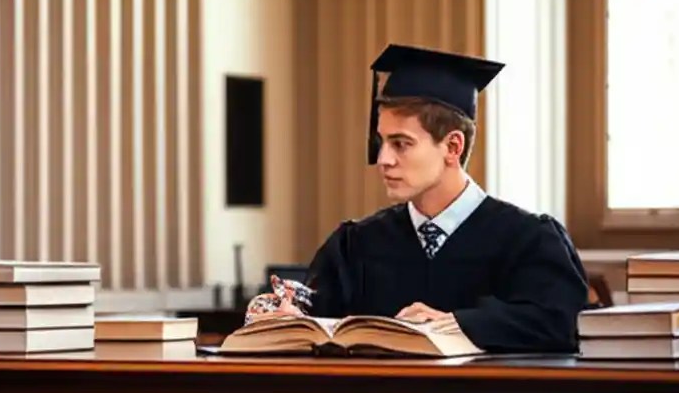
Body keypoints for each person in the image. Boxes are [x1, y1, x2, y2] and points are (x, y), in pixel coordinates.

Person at [246, 43, 589, 353]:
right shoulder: (356, 245)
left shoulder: (528, 240)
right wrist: (286, 317)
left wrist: (454, 324)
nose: (383, 160)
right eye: (381, 142)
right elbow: (316, 319)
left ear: (453, 147)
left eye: (402, 144)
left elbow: (564, 324)